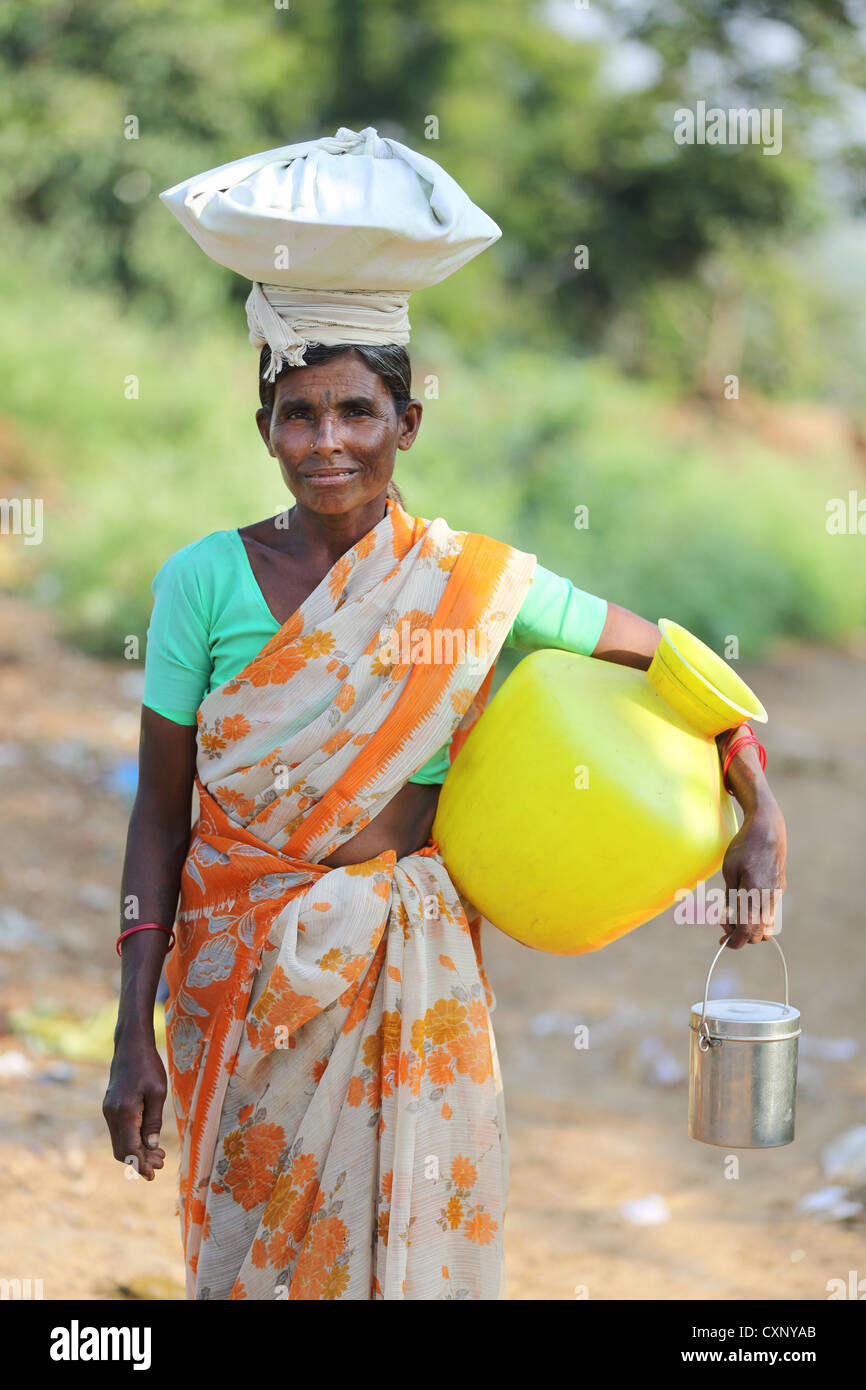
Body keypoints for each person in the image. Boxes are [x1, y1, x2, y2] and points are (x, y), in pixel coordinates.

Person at [102, 130, 787, 1301]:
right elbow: (158, 821)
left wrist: (755, 800)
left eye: (357, 411)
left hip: (403, 976)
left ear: (406, 424)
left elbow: (672, 656)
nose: (327, 443)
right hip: (236, 985)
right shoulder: (201, 582)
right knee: (244, 1266)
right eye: (298, 412)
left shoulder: (475, 586)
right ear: (262, 426)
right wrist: (131, 1033)